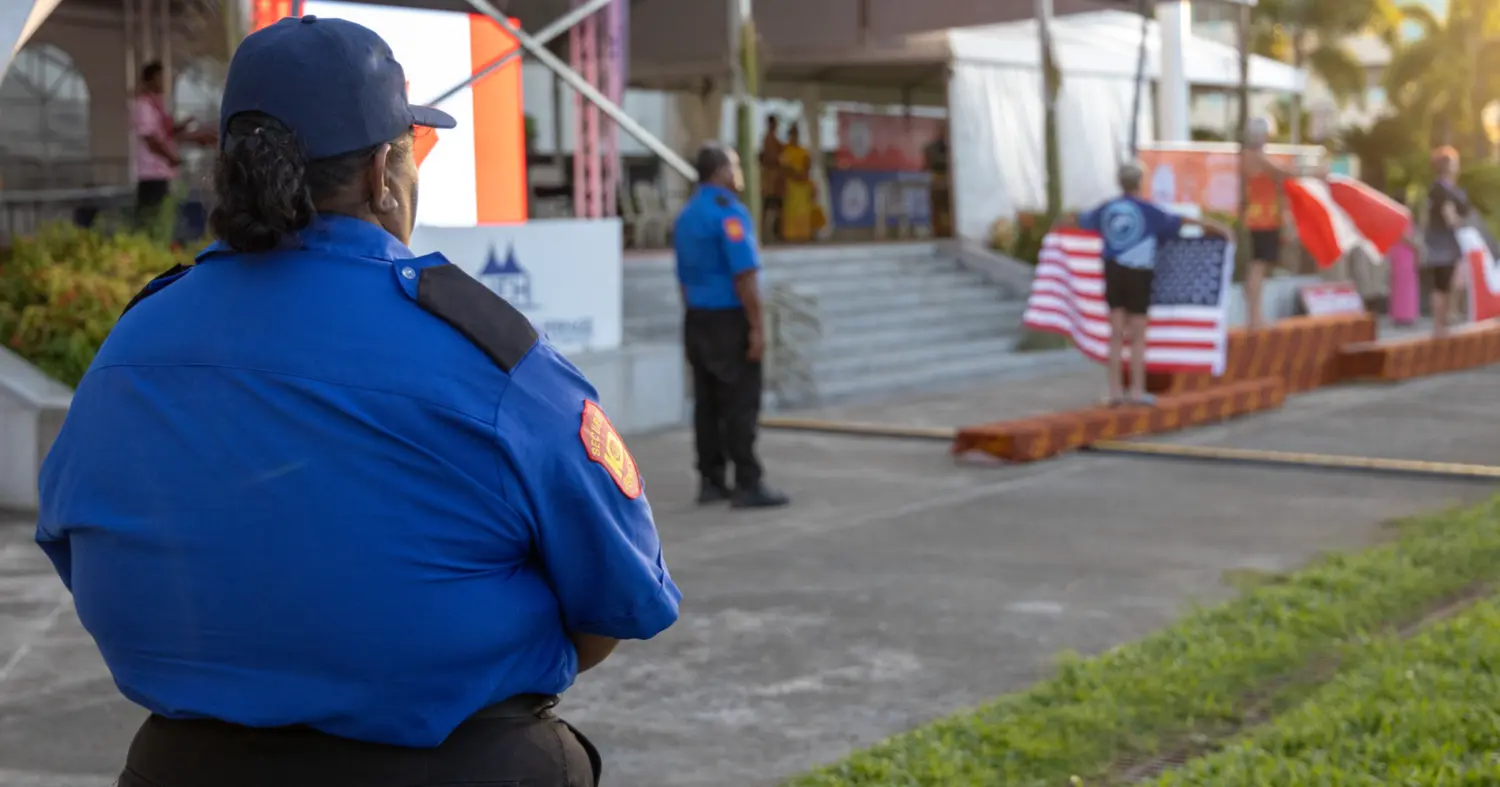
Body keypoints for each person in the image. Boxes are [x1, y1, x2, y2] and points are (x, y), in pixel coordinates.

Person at [37, 17, 679, 787]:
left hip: (186, 763)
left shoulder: (131, 346)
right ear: (383, 172)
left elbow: (76, 544)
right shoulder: (489, 357)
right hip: (456, 765)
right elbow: (618, 597)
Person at [673, 142, 790, 509]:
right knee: (740, 402)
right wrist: (756, 328)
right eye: (735, 166)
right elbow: (745, 277)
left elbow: (682, 279)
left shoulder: (687, 216)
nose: (739, 174)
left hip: (697, 317)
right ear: (721, 172)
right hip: (728, 318)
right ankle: (747, 481)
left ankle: (710, 479)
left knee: (706, 403)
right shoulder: (730, 215)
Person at [1077, 161, 1228, 405]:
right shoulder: (1148, 210)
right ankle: (1136, 390)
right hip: (1138, 273)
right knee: (1137, 334)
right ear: (1140, 182)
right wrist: (1216, 227)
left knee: (1116, 333)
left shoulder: (1107, 209)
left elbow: (1080, 220)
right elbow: (1181, 222)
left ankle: (1114, 391)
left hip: (1113, 270)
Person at [1241, 116, 1295, 331]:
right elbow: (1283, 172)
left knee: (1259, 266)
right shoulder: (1254, 156)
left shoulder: (1251, 156)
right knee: (1258, 266)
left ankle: (1255, 317)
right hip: (1262, 218)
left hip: (1262, 217)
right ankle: (1254, 319)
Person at [131, 61, 189, 230]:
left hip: (162, 172)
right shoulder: (143, 106)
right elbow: (151, 139)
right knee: (150, 219)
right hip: (151, 173)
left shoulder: (157, 105)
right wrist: (172, 158)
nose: (163, 82)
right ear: (149, 81)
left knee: (162, 218)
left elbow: (165, 132)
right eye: (159, 78)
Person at [1423, 146, 1470, 338]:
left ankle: (1444, 322)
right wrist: (1465, 226)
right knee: (1443, 283)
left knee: (1446, 282)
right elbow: (1448, 215)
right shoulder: (1441, 189)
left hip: (1445, 242)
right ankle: (1440, 325)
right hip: (1444, 243)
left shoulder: (1445, 188)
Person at [779, 123, 819, 243]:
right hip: (792, 186)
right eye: (792, 134)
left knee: (804, 211)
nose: (794, 136)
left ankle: (805, 234)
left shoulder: (803, 151)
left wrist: (802, 176)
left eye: (796, 133)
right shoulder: (786, 151)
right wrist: (796, 175)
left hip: (803, 186)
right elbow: (785, 168)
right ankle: (791, 236)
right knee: (791, 211)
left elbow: (807, 166)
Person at [759, 115, 785, 242]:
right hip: (770, 179)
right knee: (768, 204)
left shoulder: (774, 140)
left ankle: (774, 230)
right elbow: (769, 158)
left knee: (777, 206)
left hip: (775, 179)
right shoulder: (768, 140)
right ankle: (763, 231)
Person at [923, 121, 952, 237]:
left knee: (948, 211)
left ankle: (948, 231)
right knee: (938, 212)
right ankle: (938, 232)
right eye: (942, 128)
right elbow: (929, 164)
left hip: (951, 189)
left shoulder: (957, 147)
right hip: (937, 186)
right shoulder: (931, 148)